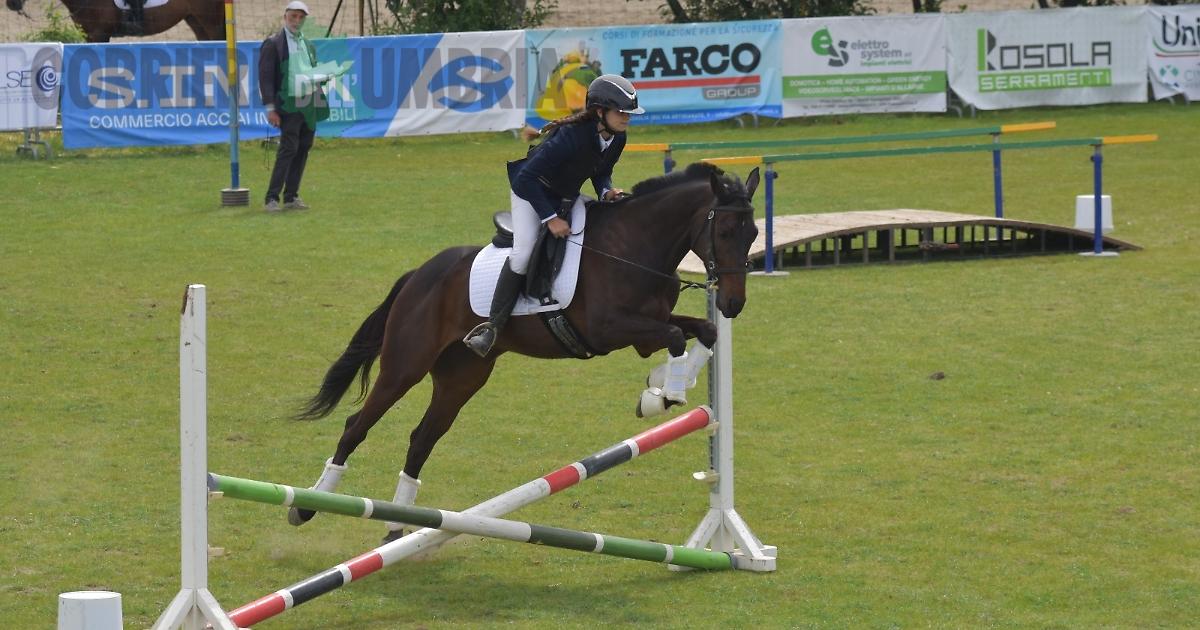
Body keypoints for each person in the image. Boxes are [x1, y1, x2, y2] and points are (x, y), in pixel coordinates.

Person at [463, 74, 645, 357]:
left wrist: (606, 190)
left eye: (628, 113)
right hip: (531, 192)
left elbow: (600, 171)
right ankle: (491, 328)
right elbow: (525, 179)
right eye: (621, 112)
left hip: (566, 194)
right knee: (523, 253)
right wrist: (550, 218)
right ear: (600, 112)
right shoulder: (571, 136)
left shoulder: (617, 138)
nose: (626, 118)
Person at [258, 0, 328, 212]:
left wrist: (323, 76)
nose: (297, 21)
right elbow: (265, 77)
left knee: (303, 147)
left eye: (301, 17)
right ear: (285, 17)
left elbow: (310, 71)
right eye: (293, 16)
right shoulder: (273, 43)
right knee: (289, 148)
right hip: (288, 103)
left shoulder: (307, 44)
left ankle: (290, 196)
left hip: (308, 102)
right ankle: (272, 198)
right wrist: (270, 108)